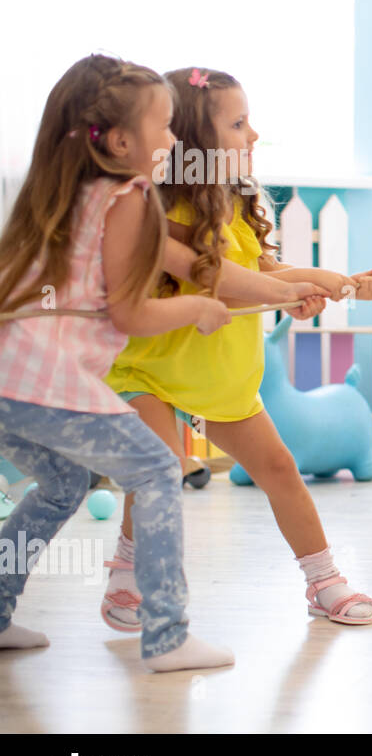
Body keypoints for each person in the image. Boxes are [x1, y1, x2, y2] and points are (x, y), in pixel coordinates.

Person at [103, 67, 372, 629]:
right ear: (192, 142)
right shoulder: (162, 212)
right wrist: (286, 289)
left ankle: (324, 580)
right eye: (238, 123)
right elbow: (219, 277)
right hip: (151, 371)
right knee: (161, 466)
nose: (253, 136)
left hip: (221, 378)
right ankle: (126, 578)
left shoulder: (234, 203)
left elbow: (262, 271)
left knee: (280, 468)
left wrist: (332, 280)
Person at [0, 54, 235, 670]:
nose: (173, 138)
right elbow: (130, 315)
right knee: (159, 469)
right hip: (47, 383)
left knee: (61, 484)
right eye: (162, 126)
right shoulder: (128, 195)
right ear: (122, 140)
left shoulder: (61, 193)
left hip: (9, 379)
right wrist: (198, 310)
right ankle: (166, 634)